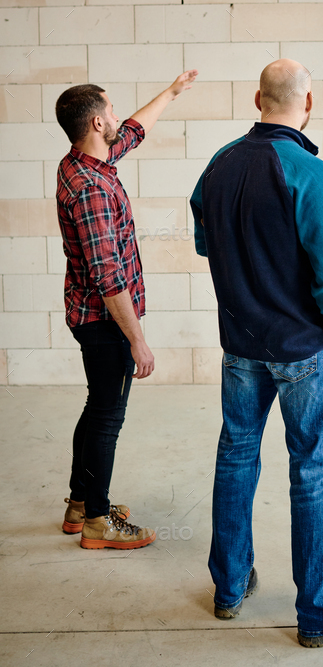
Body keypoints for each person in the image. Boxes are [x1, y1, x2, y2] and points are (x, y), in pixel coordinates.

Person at [190, 59, 323, 647]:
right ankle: (322, 613)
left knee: (235, 457)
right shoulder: (309, 171)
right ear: (310, 103)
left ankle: (228, 588)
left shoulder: (219, 164)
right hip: (301, 346)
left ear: (257, 98)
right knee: (312, 471)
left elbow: (206, 239)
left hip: (240, 346)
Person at [55, 70, 197, 549]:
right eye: (111, 109)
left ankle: (80, 503)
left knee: (97, 407)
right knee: (107, 418)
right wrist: (137, 339)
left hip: (90, 315)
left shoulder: (81, 164)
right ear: (96, 123)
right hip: (105, 321)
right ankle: (97, 521)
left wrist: (172, 91)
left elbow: (132, 132)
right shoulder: (92, 189)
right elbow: (108, 275)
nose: (118, 116)